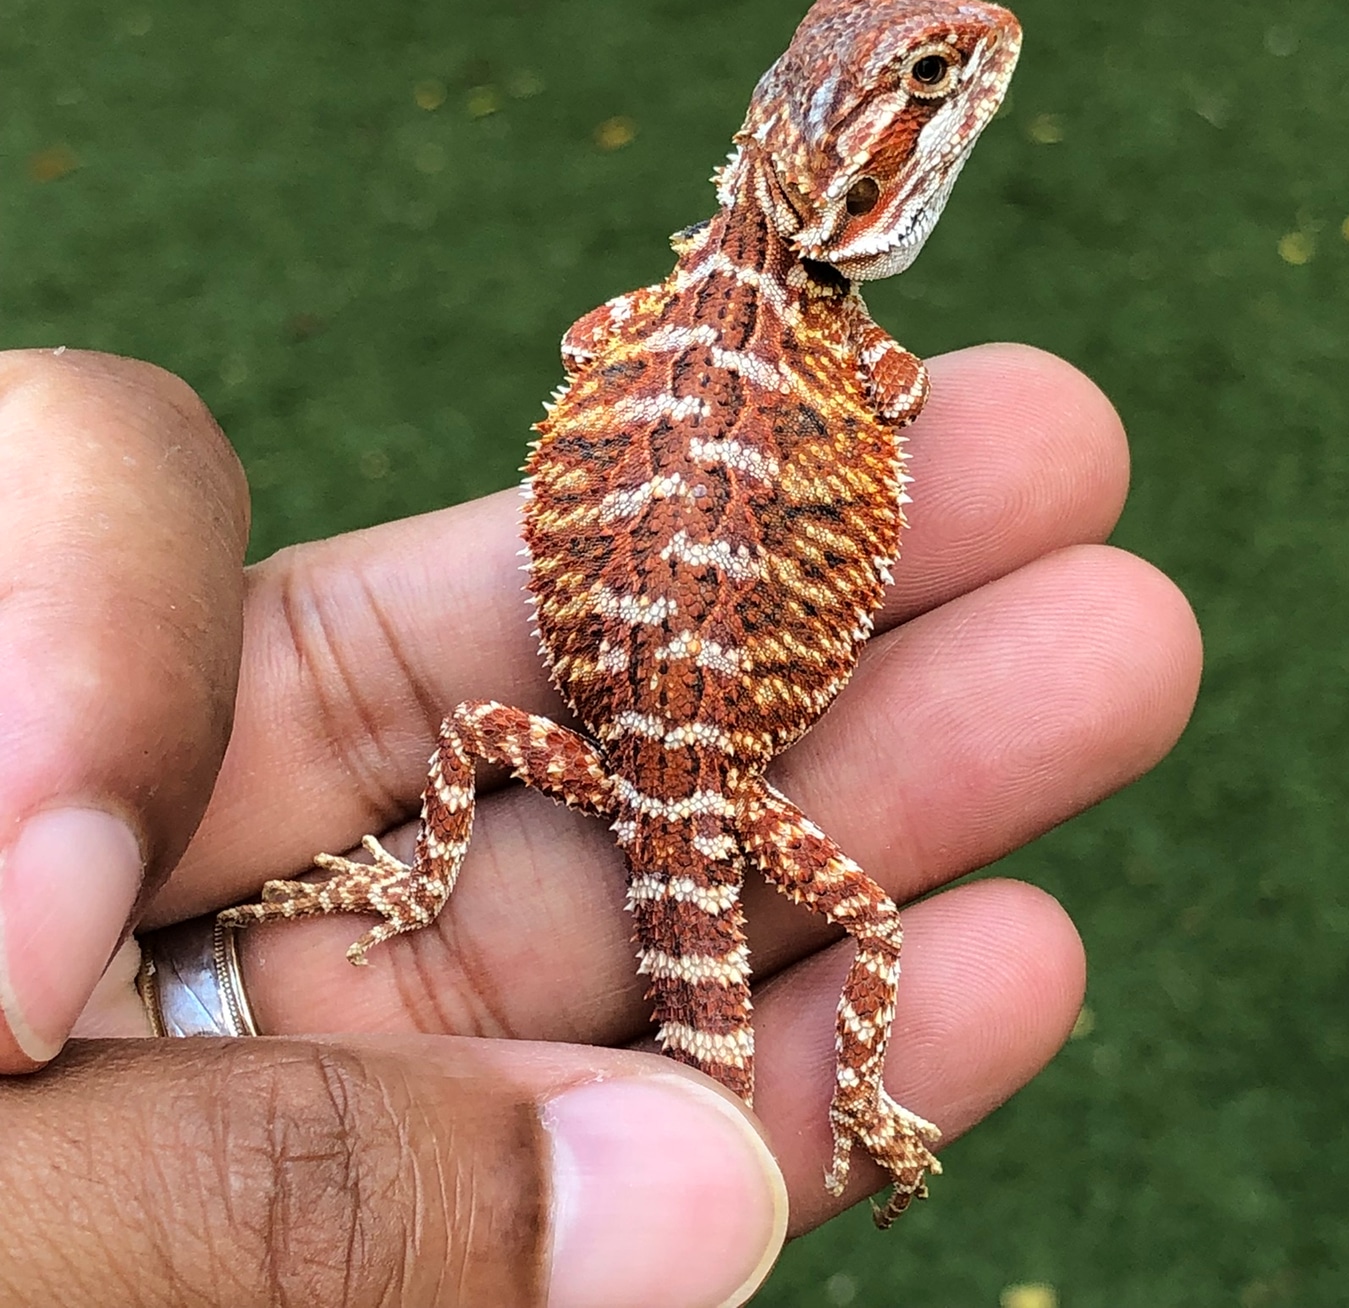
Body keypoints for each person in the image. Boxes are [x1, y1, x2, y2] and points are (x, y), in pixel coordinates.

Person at [0, 343, 1200, 1308]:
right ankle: (859, 1102)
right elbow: (903, 392)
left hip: (628, 758)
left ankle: (420, 894)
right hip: (687, 766)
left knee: (479, 731)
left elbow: (588, 344)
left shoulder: (655, 316)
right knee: (872, 933)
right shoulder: (855, 355)